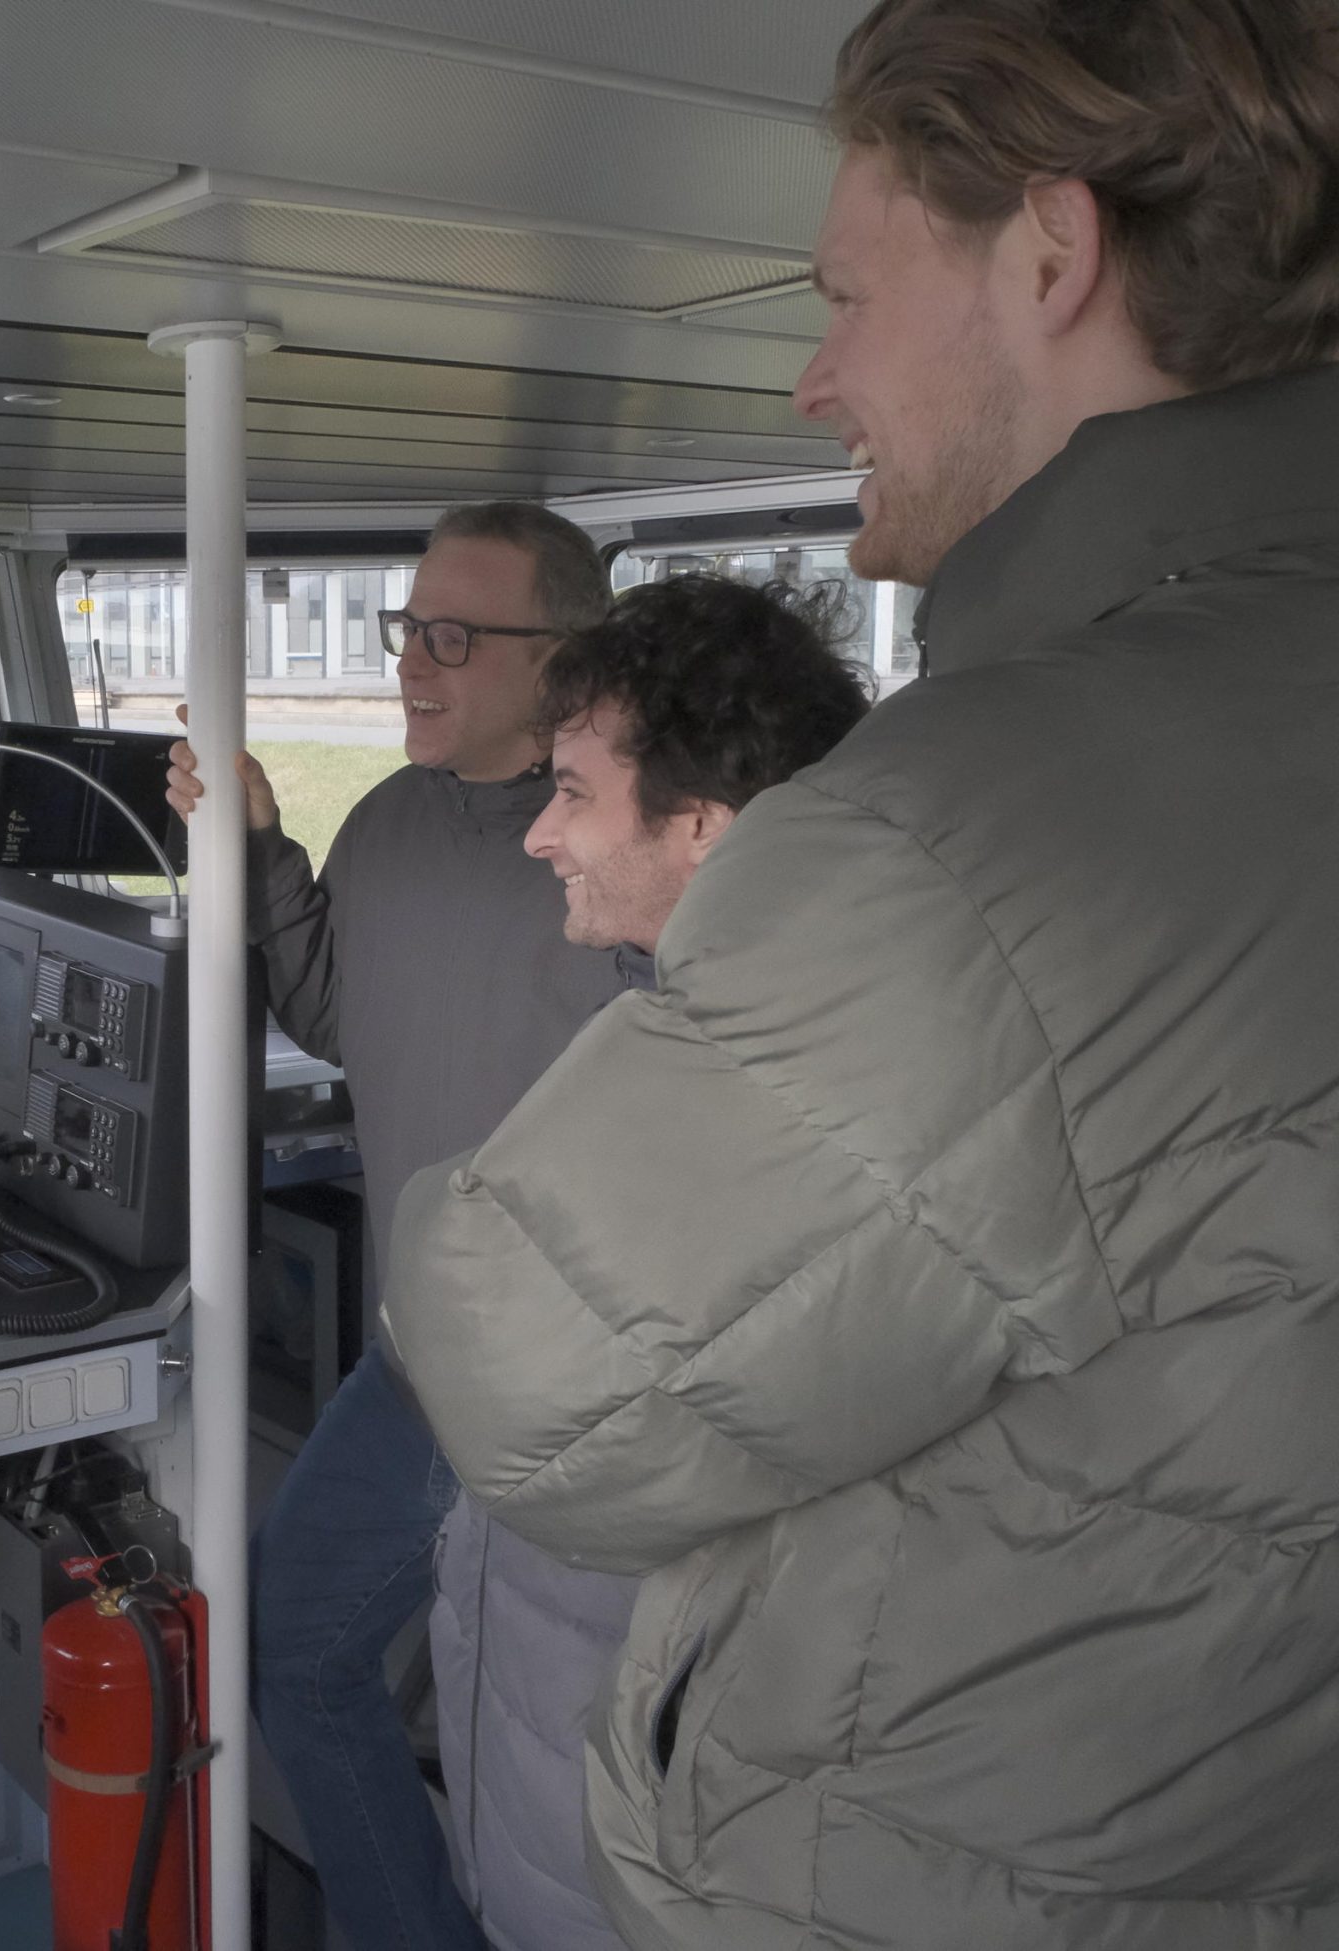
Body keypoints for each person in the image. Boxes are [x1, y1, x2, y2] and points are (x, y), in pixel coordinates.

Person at [385, 2, 1339, 1945]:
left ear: (1050, 253)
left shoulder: (973, 814)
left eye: (842, 297)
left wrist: (428, 1216)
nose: (813, 378)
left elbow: (533, 1384)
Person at [165, 503, 629, 1951]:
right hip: (418, 1359)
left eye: (455, 636)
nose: (412, 663)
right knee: (290, 1648)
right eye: (407, 627)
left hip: (572, 1385)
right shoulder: (388, 819)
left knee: (554, 1750)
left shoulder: (620, 861)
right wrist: (260, 853)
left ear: (565, 661)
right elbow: (336, 1012)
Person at [427, 574, 869, 1951]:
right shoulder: (664, 1028)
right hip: (550, 1756)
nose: (538, 834)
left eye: (572, 792)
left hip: (640, 1823)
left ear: (702, 825)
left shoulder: (794, 1091)